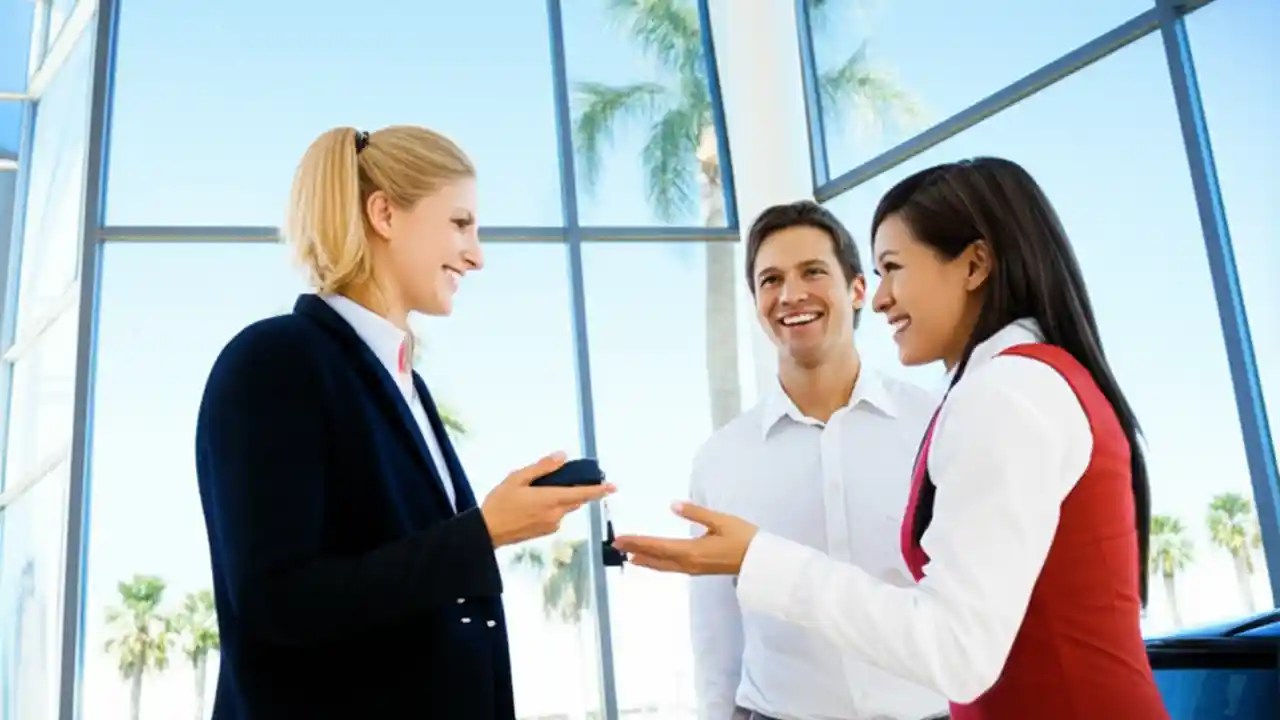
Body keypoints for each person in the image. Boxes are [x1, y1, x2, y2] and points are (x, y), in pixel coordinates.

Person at [614, 158, 1170, 719]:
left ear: (975, 264)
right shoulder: (1022, 383)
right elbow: (717, 646)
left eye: (892, 268)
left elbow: (957, 649)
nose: (883, 298)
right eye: (770, 280)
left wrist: (761, 558)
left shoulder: (991, 398)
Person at [194, 125, 615, 719]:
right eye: (460, 224)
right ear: (385, 214)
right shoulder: (273, 362)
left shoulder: (405, 385)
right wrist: (483, 532)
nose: (477, 253)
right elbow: (278, 603)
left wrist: (485, 528)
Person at [687, 201, 945, 720]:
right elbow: (716, 637)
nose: (790, 294)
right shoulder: (721, 459)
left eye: (813, 272)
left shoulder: (935, 425)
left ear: (856, 289)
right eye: (770, 280)